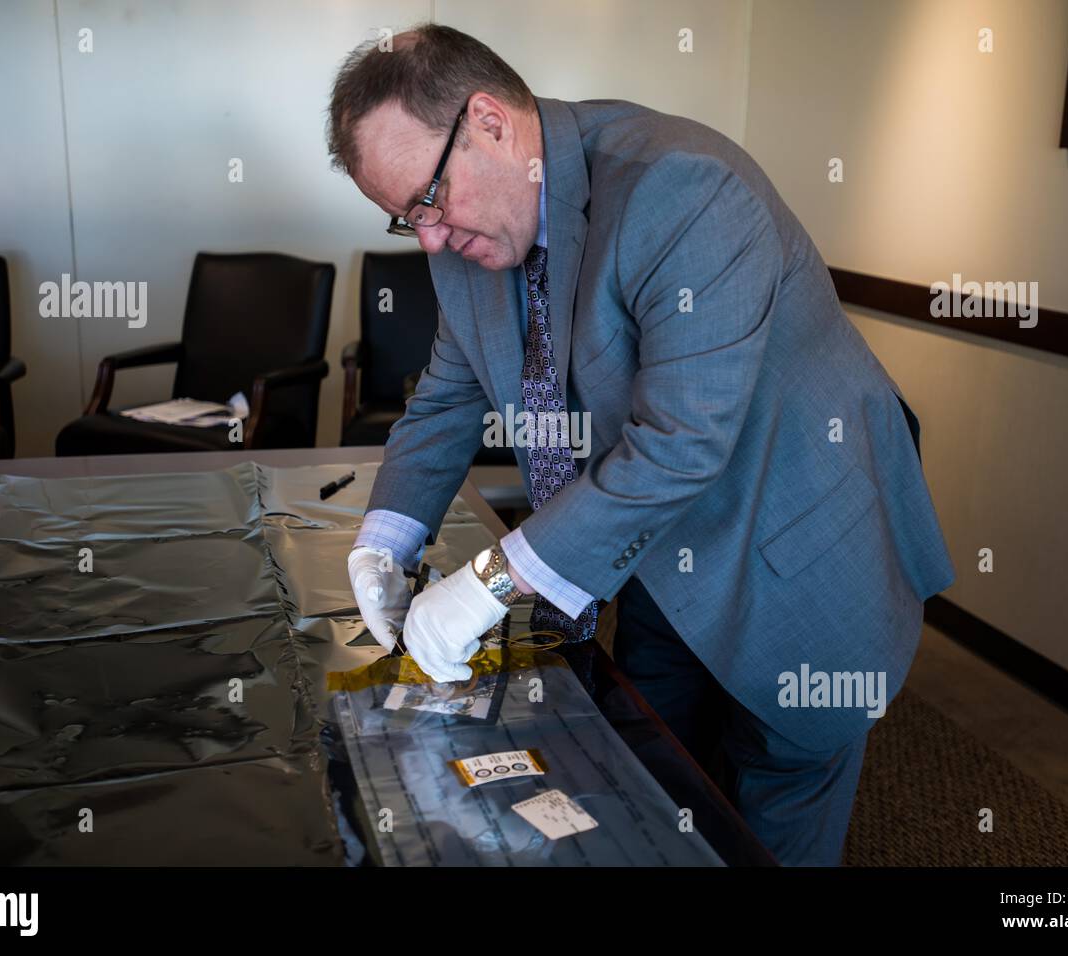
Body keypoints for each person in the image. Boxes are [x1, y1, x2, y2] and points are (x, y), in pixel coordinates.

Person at [331, 24, 954, 866]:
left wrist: (491, 578)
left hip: (798, 556)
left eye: (428, 200)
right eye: (407, 221)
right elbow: (447, 397)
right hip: (656, 558)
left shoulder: (682, 189)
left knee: (773, 822)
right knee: (654, 791)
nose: (430, 238)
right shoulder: (466, 238)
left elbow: (680, 445)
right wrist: (384, 541)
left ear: (489, 121)